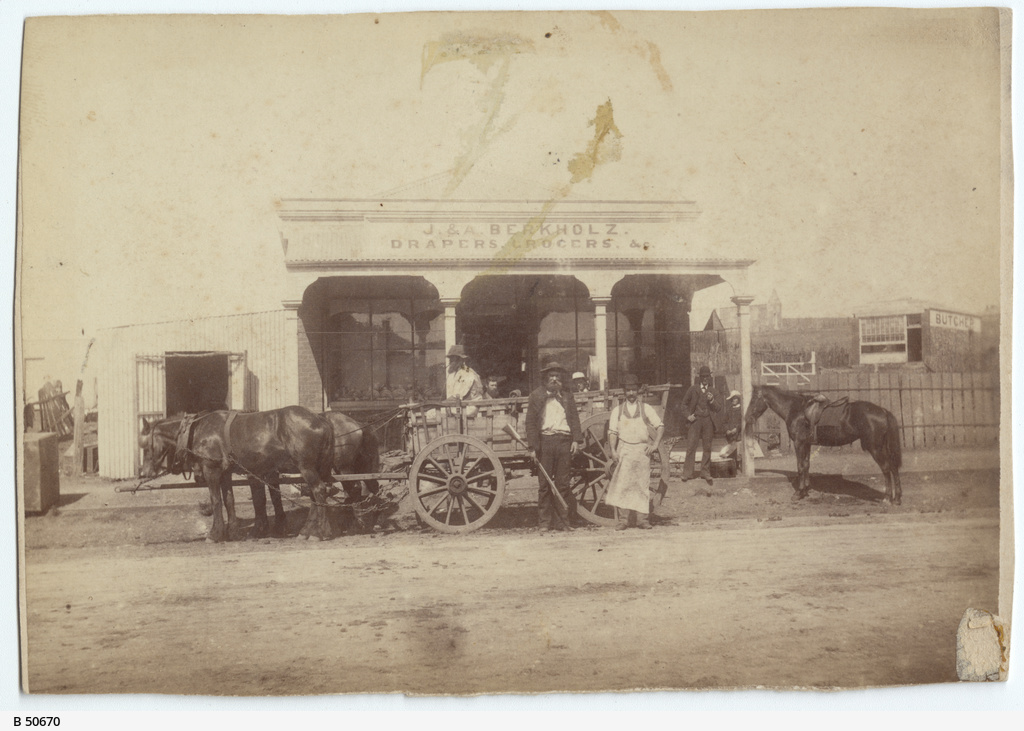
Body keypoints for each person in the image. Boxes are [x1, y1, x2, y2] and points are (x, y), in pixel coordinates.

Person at [525, 360, 582, 531]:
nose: (555, 379)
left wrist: (576, 440)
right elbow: (531, 423)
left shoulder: (567, 396)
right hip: (545, 443)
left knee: (563, 483)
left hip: (564, 442)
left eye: (557, 376)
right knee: (544, 485)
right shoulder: (536, 395)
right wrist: (533, 448)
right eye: (551, 376)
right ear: (545, 378)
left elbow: (574, 419)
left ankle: (562, 522)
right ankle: (544, 522)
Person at [606, 374, 664, 530]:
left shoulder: (646, 409)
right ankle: (623, 520)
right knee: (623, 484)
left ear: (638, 391)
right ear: (624, 392)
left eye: (633, 390)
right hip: (624, 449)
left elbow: (660, 426)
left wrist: (655, 444)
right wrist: (613, 450)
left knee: (641, 485)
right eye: (628, 390)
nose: (631, 393)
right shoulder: (617, 411)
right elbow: (612, 432)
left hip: (641, 451)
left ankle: (642, 520)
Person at [681, 365, 721, 485]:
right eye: (703, 376)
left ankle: (705, 472)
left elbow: (718, 408)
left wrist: (712, 401)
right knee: (691, 446)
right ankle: (688, 473)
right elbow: (683, 405)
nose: (705, 379)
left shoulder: (713, 391)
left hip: (708, 421)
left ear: (710, 377)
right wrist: (688, 416)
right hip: (695, 421)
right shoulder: (693, 389)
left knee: (707, 447)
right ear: (699, 377)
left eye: (707, 376)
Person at [718, 390, 743, 460]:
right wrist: (727, 430)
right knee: (731, 454)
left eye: (735, 398)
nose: (733, 400)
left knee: (739, 453)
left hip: (739, 435)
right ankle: (733, 468)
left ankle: (739, 467)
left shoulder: (741, 409)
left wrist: (737, 429)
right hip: (730, 436)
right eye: (732, 399)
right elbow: (724, 422)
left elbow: (742, 422)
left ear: (738, 399)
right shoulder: (729, 410)